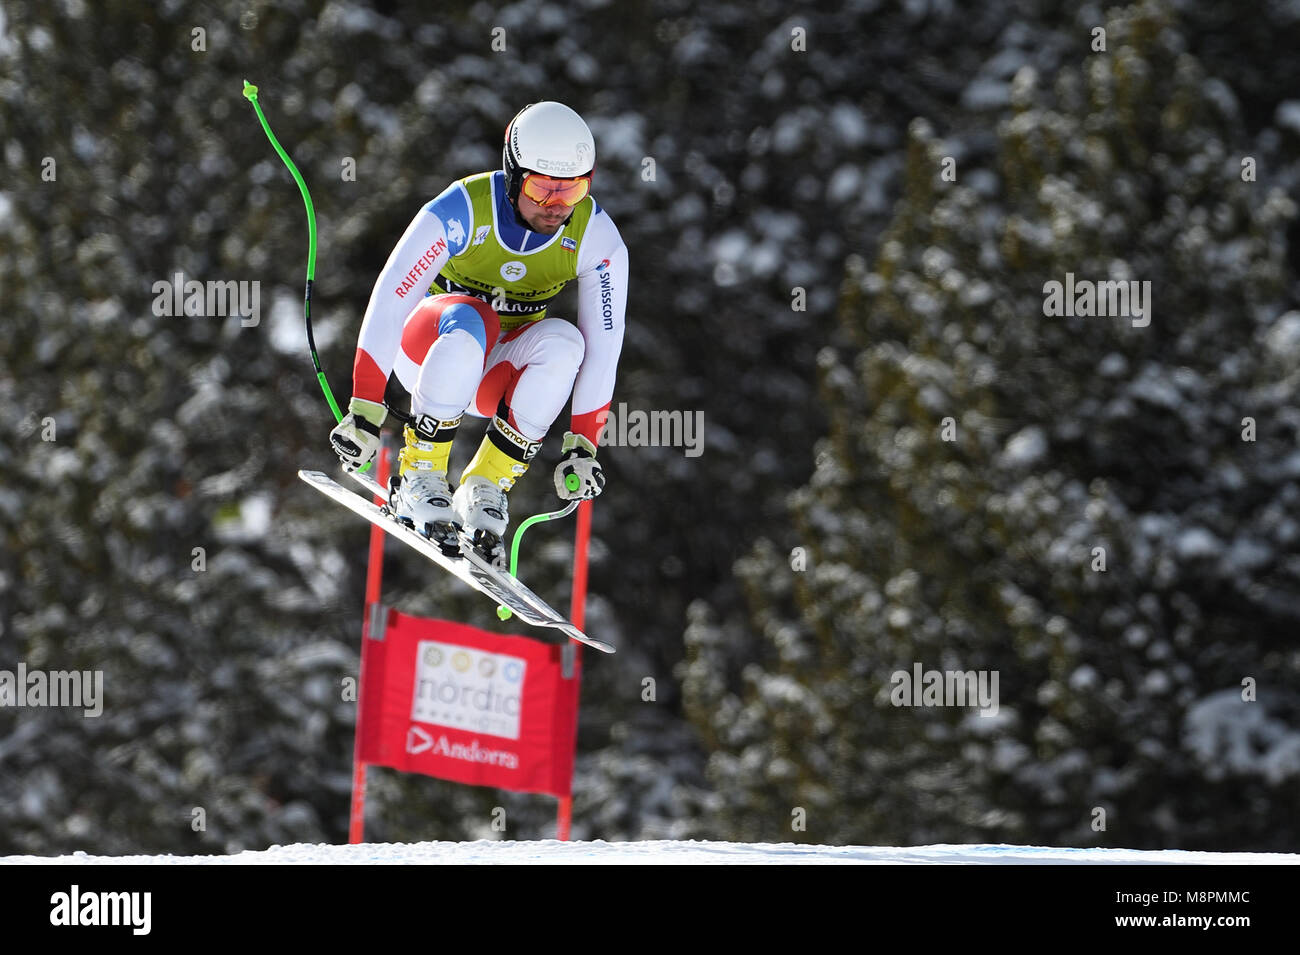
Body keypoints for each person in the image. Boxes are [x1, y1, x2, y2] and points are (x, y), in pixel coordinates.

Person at [328, 101, 628, 565]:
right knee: (475, 319)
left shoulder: (595, 237)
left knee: (566, 343)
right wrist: (366, 407)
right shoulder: (463, 209)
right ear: (512, 174)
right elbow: (390, 299)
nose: (557, 206)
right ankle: (419, 473)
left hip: (494, 376)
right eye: (541, 190)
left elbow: (605, 348)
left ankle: (485, 485)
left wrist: (582, 443)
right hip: (429, 351)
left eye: (573, 191)